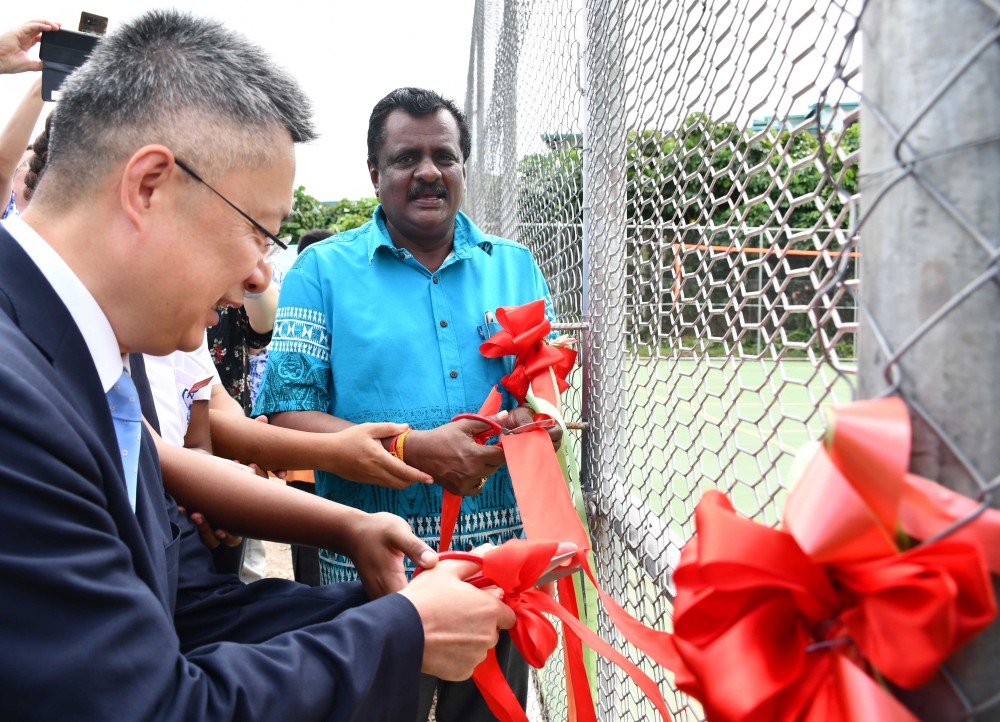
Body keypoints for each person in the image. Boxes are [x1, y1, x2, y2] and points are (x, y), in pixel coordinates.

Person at [0, 14, 514, 721]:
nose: (258, 277)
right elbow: (145, 704)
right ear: (149, 185)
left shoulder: (84, 366)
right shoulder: (18, 401)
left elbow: (179, 607)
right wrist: (401, 631)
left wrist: (386, 602)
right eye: (256, 232)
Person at [255, 87, 559, 721]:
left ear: (464, 167)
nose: (428, 172)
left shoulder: (515, 267)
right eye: (405, 159)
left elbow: (544, 391)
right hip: (377, 580)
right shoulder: (321, 271)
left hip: (496, 573)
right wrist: (412, 449)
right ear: (375, 173)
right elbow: (287, 412)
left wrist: (532, 426)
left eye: (444, 156)